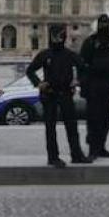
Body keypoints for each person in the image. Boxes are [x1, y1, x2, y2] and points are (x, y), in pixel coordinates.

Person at [25, 25, 91, 168]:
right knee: (51, 127)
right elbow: (30, 71)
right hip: (49, 93)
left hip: (65, 92)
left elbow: (84, 69)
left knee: (71, 126)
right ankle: (53, 157)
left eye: (60, 36)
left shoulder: (69, 54)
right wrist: (38, 83)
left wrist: (77, 81)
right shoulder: (45, 54)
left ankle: (76, 154)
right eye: (55, 36)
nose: (57, 39)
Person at [79, 13, 109, 160]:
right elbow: (82, 66)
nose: (103, 27)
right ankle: (93, 149)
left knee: (106, 118)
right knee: (93, 118)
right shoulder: (90, 42)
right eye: (101, 24)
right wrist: (83, 86)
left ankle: (101, 147)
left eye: (106, 24)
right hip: (93, 84)